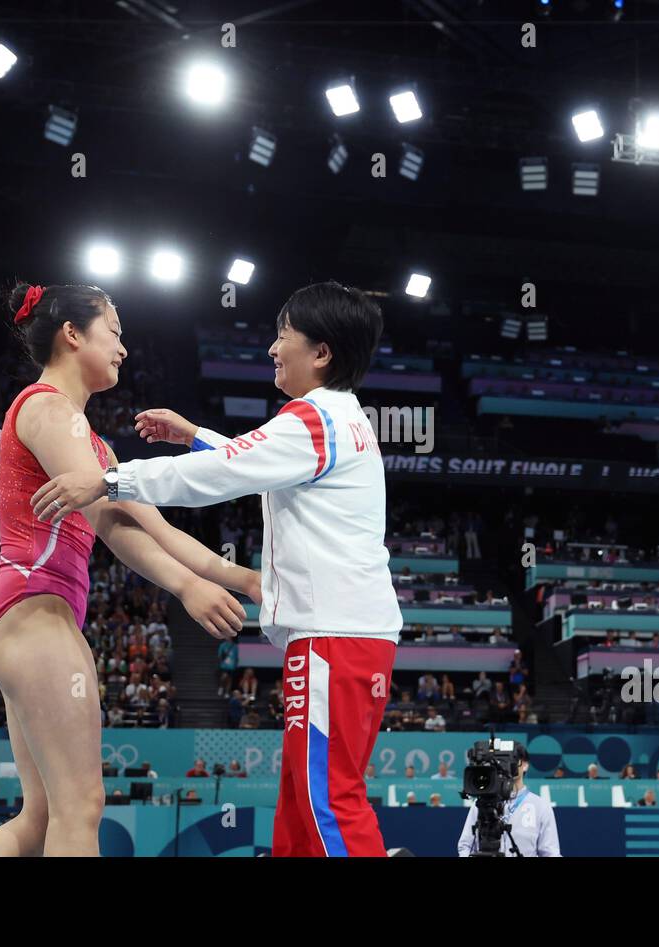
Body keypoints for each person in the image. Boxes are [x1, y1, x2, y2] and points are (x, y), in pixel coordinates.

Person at [32, 281, 402, 857]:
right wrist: (196, 435)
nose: (273, 348)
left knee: (326, 801)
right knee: (301, 805)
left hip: (336, 636)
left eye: (283, 335)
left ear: (321, 352)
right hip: (338, 634)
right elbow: (254, 462)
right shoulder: (334, 419)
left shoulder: (313, 419)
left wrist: (108, 479)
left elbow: (223, 477)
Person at [0, 282, 253, 857]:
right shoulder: (47, 409)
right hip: (33, 611)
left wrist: (248, 581)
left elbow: (158, 529)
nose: (124, 347)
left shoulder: (93, 444)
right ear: (73, 335)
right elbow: (110, 524)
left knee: (42, 816)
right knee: (81, 808)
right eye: (115, 333)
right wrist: (187, 588)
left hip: (28, 616)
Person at [457, 747, 560, 857]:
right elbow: (465, 846)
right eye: (502, 760)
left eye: (514, 759)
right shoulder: (483, 803)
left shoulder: (541, 806)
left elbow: (550, 853)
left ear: (525, 765)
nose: (508, 765)